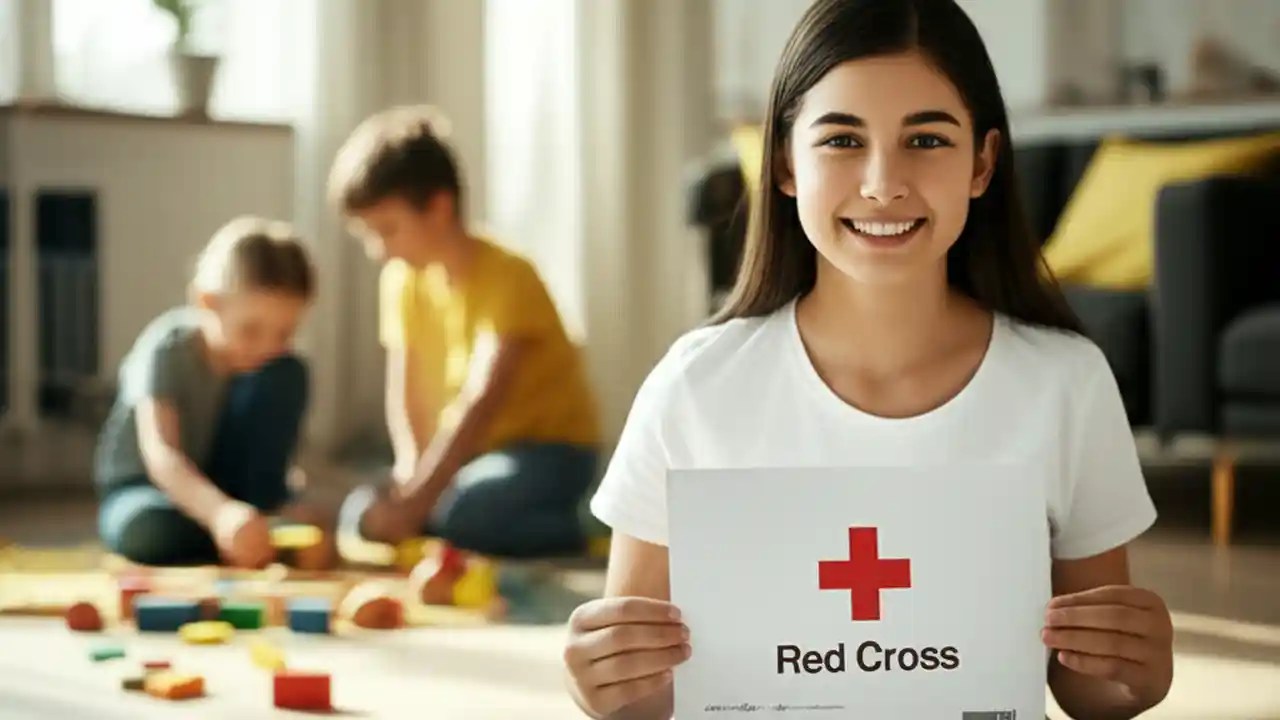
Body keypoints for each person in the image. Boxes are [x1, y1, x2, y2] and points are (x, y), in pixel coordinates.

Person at [563, 1, 1174, 718]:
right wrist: (603, 684)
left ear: (982, 163)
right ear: (785, 162)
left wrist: (1136, 674)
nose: (883, 183)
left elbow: (1084, 686)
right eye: (843, 140)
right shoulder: (695, 389)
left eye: (926, 140)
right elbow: (648, 697)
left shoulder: (1065, 385)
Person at [328, 106, 601, 560]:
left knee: (464, 512)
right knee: (361, 511)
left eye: (388, 230)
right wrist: (410, 476)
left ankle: (582, 521)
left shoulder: (509, 275)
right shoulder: (402, 280)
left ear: (438, 208)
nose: (379, 251)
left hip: (549, 452)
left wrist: (422, 496)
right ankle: (446, 518)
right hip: (467, 457)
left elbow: (481, 401)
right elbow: (407, 394)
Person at [96, 216, 334, 569]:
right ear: (208, 303)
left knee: (289, 371)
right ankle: (255, 537)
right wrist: (220, 514)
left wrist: (297, 501)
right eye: (251, 330)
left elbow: (274, 454)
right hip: (153, 490)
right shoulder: (167, 349)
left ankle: (259, 528)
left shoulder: (274, 367)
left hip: (229, 489)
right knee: (145, 528)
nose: (267, 348)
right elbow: (162, 456)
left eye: (284, 333)